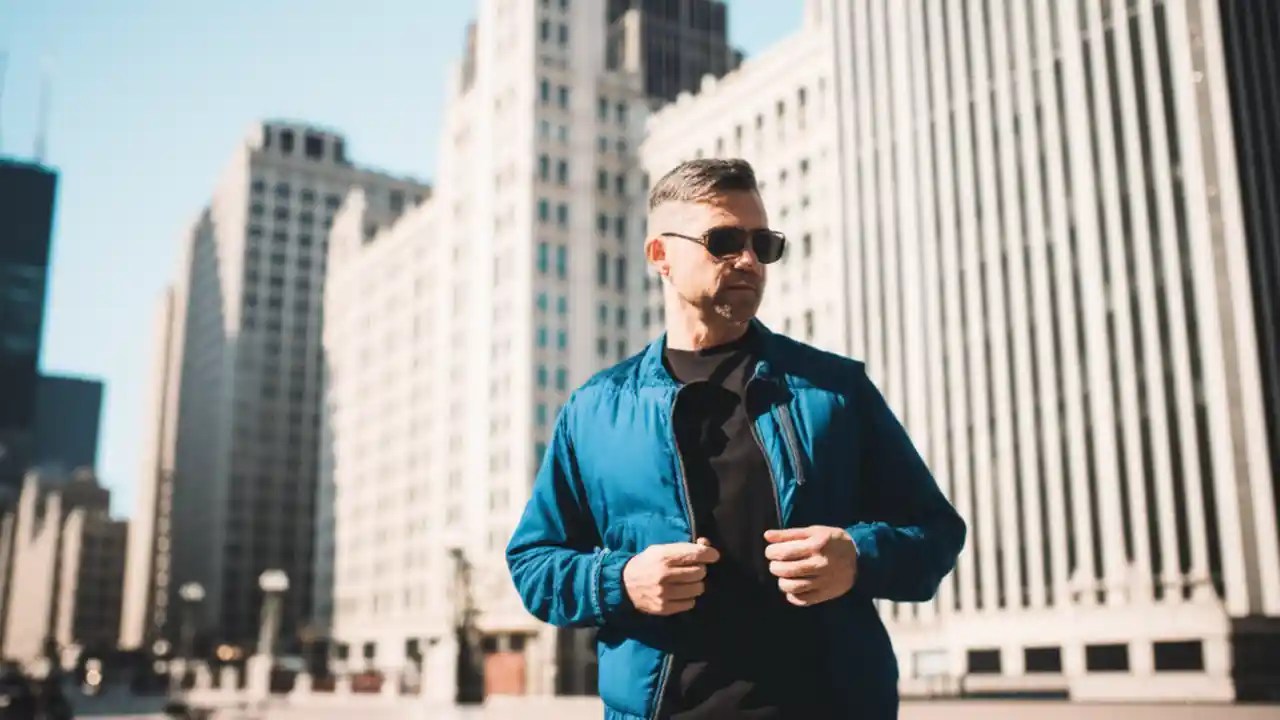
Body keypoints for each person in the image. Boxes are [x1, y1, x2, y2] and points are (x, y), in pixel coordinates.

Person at [507, 158, 966, 719]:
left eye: (762, 243)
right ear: (661, 256)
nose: (748, 260)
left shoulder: (835, 391)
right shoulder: (594, 410)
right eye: (723, 240)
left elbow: (935, 532)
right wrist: (620, 580)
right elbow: (534, 563)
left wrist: (857, 556)